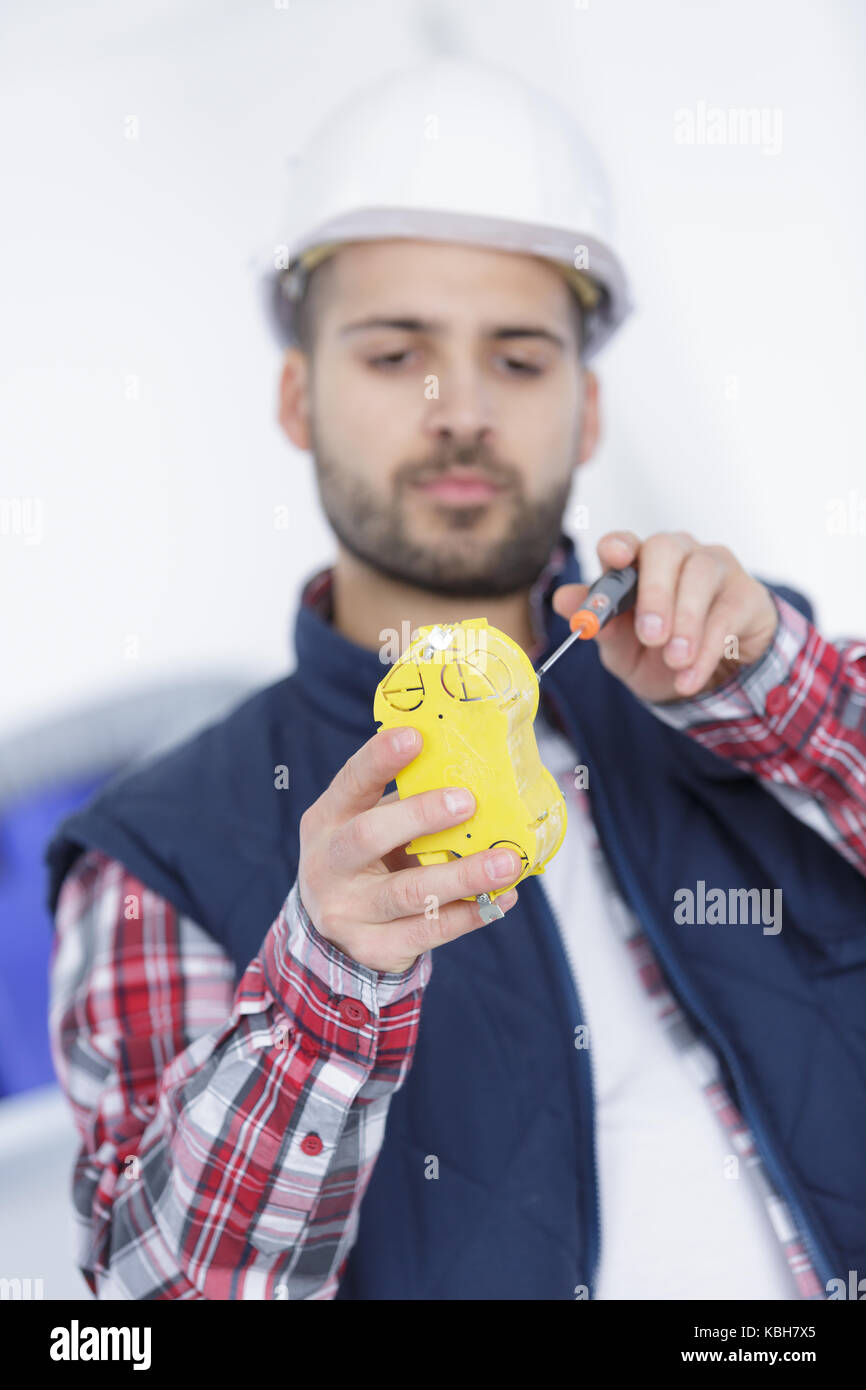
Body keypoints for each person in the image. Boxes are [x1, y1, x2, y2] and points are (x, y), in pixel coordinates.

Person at [45, 57, 866, 1301]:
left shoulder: (754, 676)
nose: (459, 410)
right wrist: (326, 984)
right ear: (294, 396)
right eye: (393, 355)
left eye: (520, 360)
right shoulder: (153, 855)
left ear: (588, 413)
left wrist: (778, 698)